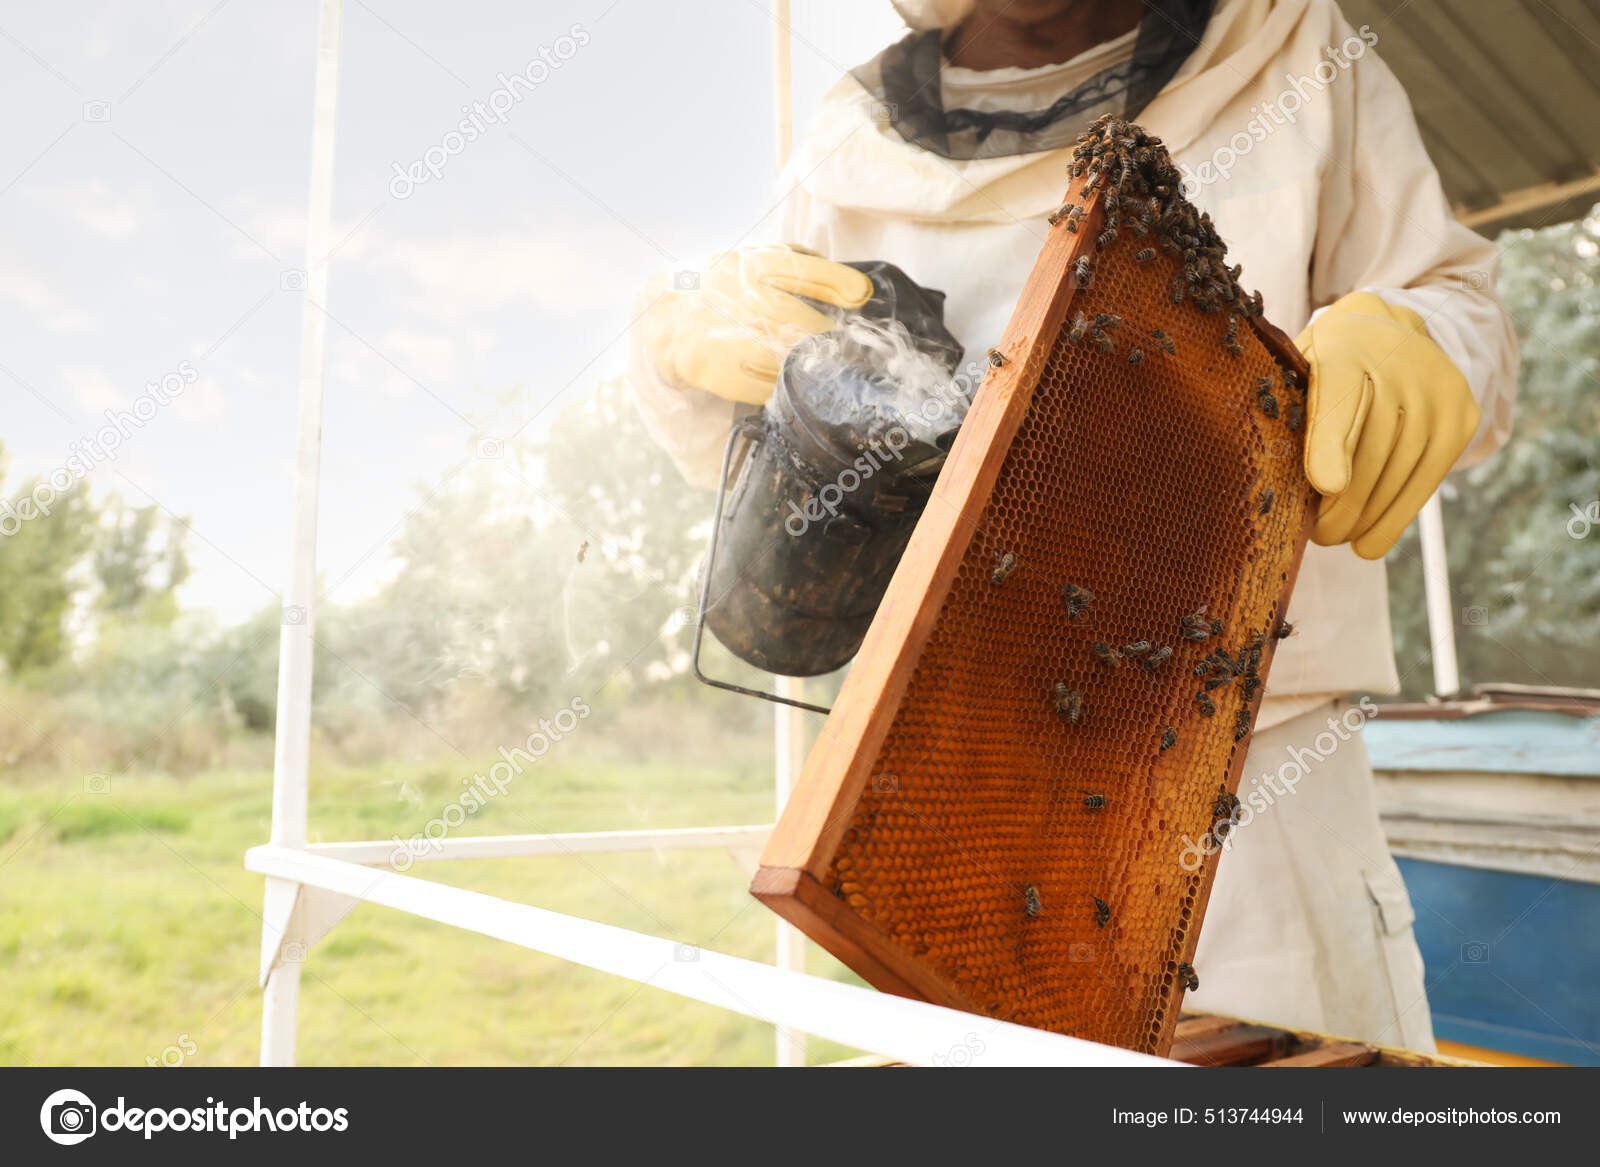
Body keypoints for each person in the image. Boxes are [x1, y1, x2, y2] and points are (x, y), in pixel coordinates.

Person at [627, 0, 1518, 1052]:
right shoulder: (842, 136)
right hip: (961, 780)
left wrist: (1422, 332)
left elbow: (1461, 306)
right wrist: (681, 345)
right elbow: (770, 427)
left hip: (1249, 782)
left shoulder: (1294, 41)